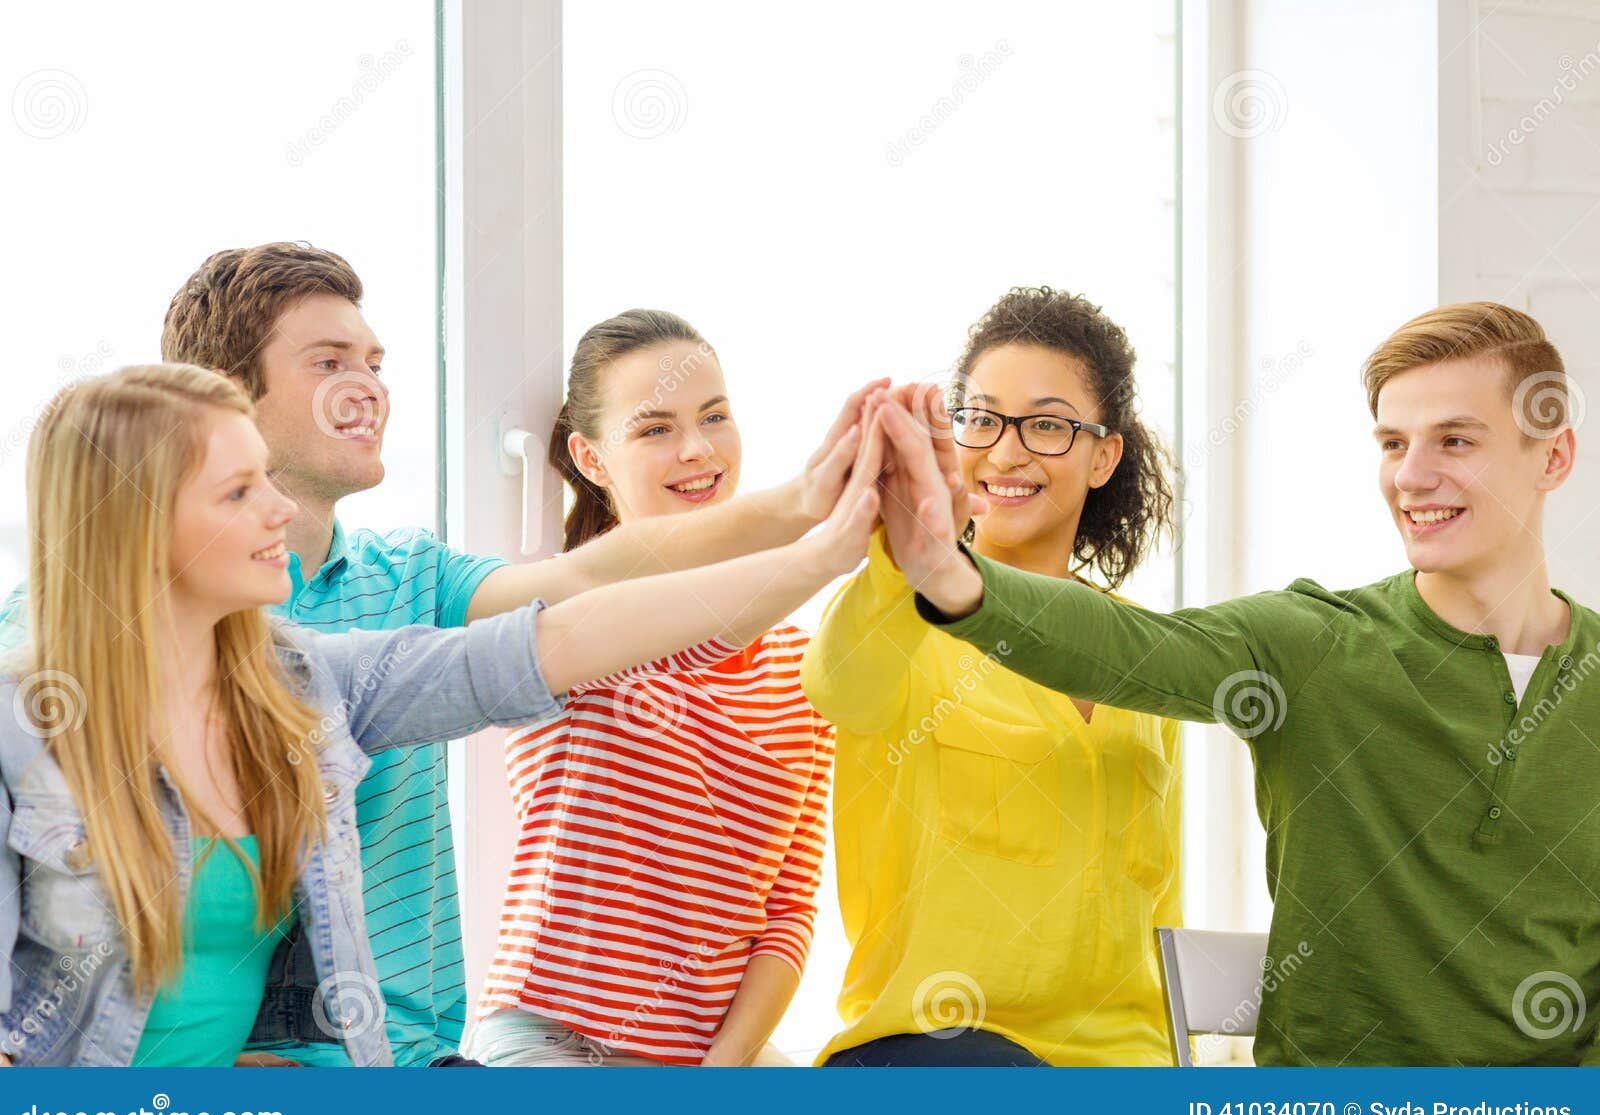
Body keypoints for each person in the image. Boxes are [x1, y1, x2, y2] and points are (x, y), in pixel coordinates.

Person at [0, 243, 877, 1067]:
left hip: (395, 1061)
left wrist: (814, 521)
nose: (367, 389)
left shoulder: (341, 648)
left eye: (375, 363)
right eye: (328, 362)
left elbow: (564, 619)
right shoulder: (37, 685)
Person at [877, 302, 1600, 1065]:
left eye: (1455, 440)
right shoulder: (1316, 645)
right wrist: (948, 575)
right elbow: (1131, 648)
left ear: (1552, 458)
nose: (1411, 477)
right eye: (1393, 443)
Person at [803, 287, 1182, 1066]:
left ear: (1103, 455)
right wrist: (907, 552)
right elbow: (837, 684)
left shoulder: (1144, 652)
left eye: (1046, 424)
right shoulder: (902, 608)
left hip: (1123, 1068)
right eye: (981, 418)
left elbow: (1160, 911)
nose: (1005, 453)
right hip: (932, 1052)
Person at [472, 309, 832, 1066]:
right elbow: (694, 628)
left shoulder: (801, 667)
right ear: (591, 458)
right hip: (559, 1040)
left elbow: (789, 907)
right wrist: (829, 536)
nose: (697, 449)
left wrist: (725, 1064)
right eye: (655, 429)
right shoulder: (566, 618)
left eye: (714, 416)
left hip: (716, 1055)